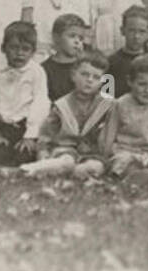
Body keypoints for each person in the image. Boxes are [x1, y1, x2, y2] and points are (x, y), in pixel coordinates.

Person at [20, 50, 113, 181]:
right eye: (85, 74)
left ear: (102, 82)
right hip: (65, 150)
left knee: (95, 166)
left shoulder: (106, 105)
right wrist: (43, 152)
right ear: (73, 75)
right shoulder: (62, 105)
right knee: (66, 161)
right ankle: (35, 168)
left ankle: (71, 172)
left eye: (96, 77)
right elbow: (47, 133)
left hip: (93, 154)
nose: (89, 80)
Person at [0, 21, 50, 166]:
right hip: (1, 127)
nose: (19, 53)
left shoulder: (36, 72)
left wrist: (30, 137)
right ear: (3, 48)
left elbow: (40, 104)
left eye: (25, 49)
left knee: (24, 155)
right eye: (14, 48)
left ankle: (23, 154)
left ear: (33, 52)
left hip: (25, 127)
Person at [101, 54, 148, 189]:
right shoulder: (121, 103)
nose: (147, 91)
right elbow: (110, 133)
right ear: (130, 81)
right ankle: (135, 178)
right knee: (124, 163)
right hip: (127, 151)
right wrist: (106, 157)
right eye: (142, 84)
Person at [107, 5, 148, 97]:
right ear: (122, 30)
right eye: (131, 30)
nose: (136, 36)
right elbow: (105, 95)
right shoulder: (110, 63)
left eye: (142, 31)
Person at [42, 13, 88, 101]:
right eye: (72, 36)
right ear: (56, 37)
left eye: (81, 38)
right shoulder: (45, 69)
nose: (77, 41)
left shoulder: (85, 66)